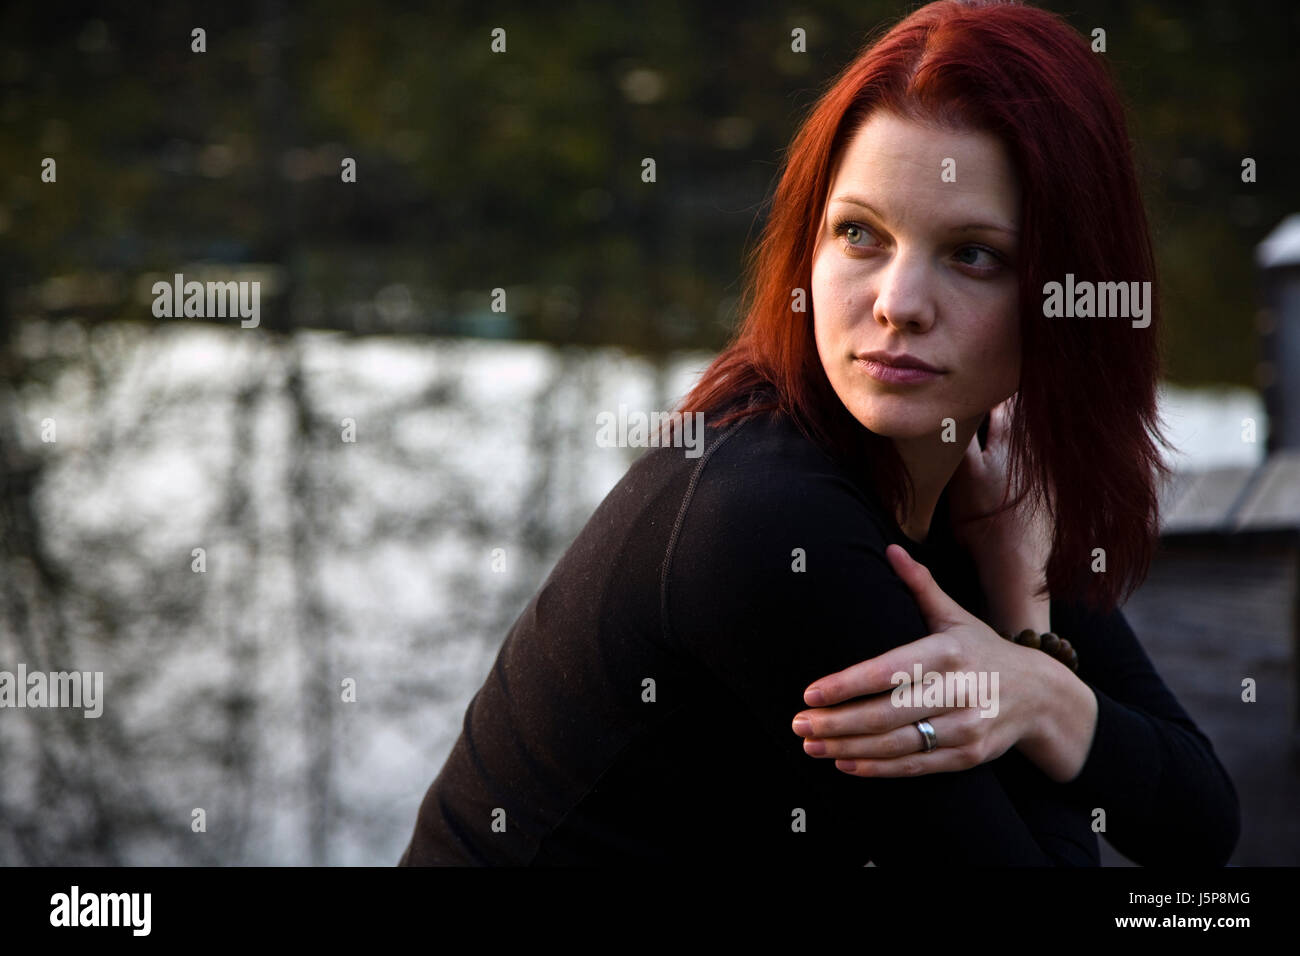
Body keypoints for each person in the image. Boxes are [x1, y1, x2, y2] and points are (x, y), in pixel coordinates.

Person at [398, 0, 1240, 866]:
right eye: (860, 234)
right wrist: (1022, 629)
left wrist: (1041, 690)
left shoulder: (980, 468)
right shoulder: (767, 522)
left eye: (974, 255)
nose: (897, 305)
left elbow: (1200, 823)